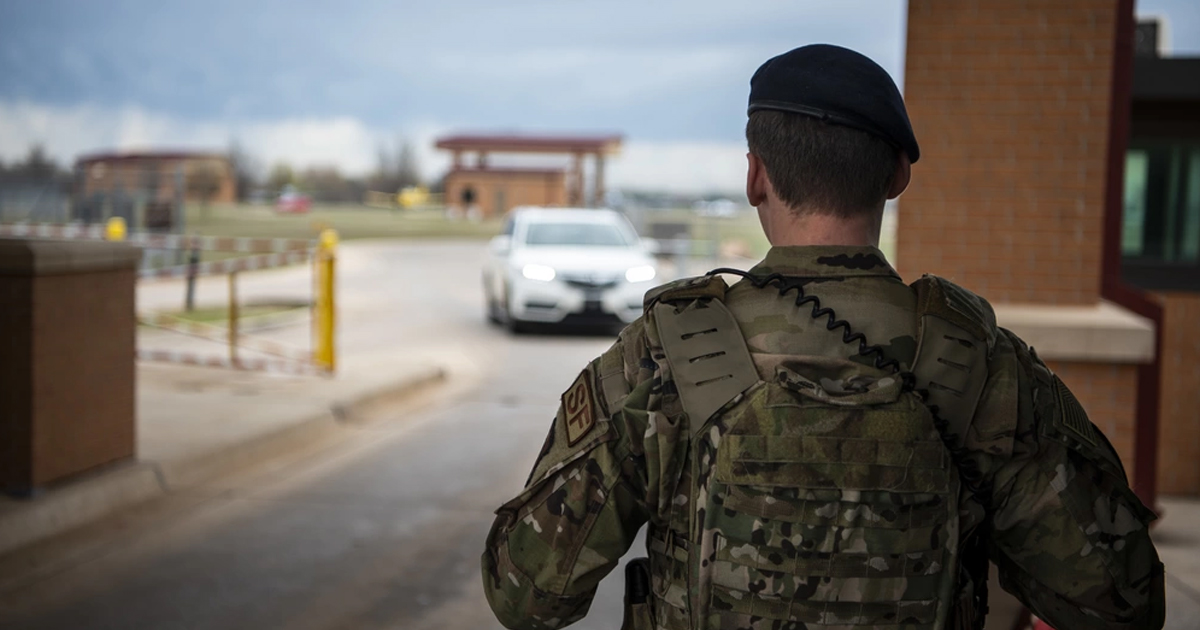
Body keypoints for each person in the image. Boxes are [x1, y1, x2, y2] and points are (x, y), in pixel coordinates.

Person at [481, 44, 1165, 630]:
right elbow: (1120, 600)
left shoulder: (666, 353)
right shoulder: (982, 367)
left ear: (755, 176)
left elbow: (524, 592)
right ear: (898, 175)